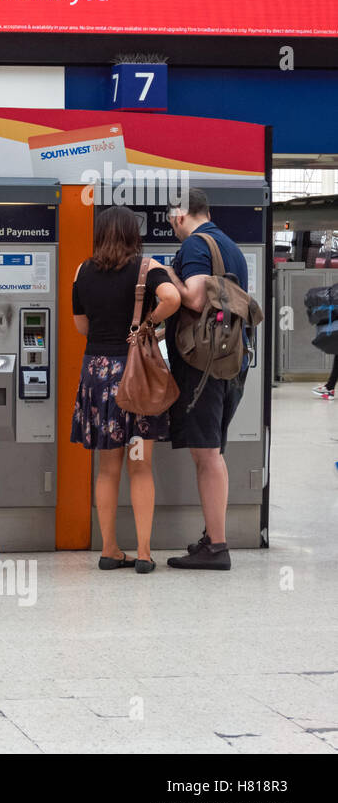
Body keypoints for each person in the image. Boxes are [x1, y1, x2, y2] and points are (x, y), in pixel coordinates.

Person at [70, 207, 182, 574]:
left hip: (98, 377)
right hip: (135, 379)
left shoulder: (82, 272)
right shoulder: (148, 269)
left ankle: (109, 549)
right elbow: (173, 299)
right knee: (141, 465)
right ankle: (145, 553)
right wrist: (146, 324)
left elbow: (81, 326)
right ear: (133, 234)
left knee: (107, 469)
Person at [163, 188, 251, 571]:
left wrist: (164, 273)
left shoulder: (197, 246)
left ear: (181, 214)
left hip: (204, 366)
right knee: (212, 450)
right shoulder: (229, 245)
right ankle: (212, 537)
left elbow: (195, 299)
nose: (170, 224)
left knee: (207, 455)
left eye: (171, 217)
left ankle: (216, 546)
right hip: (229, 361)